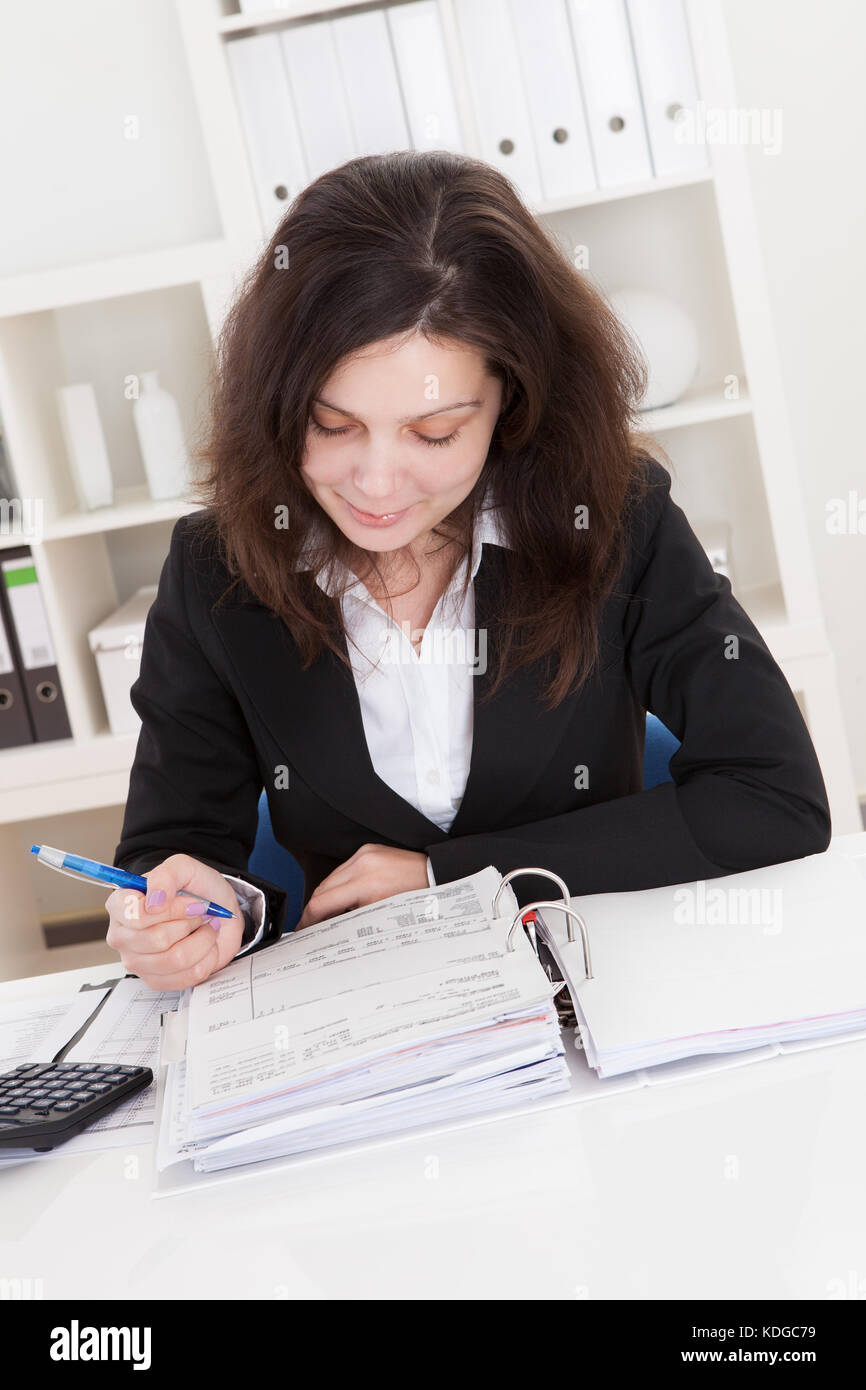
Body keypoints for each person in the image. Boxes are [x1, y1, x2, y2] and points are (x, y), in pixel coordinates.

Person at [105, 150, 831, 992]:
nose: (376, 485)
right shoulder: (213, 572)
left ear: (511, 406)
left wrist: (455, 876)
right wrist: (202, 910)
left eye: (435, 433)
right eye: (332, 425)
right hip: (371, 1022)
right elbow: (175, 850)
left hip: (609, 993)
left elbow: (775, 797)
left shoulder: (613, 521)